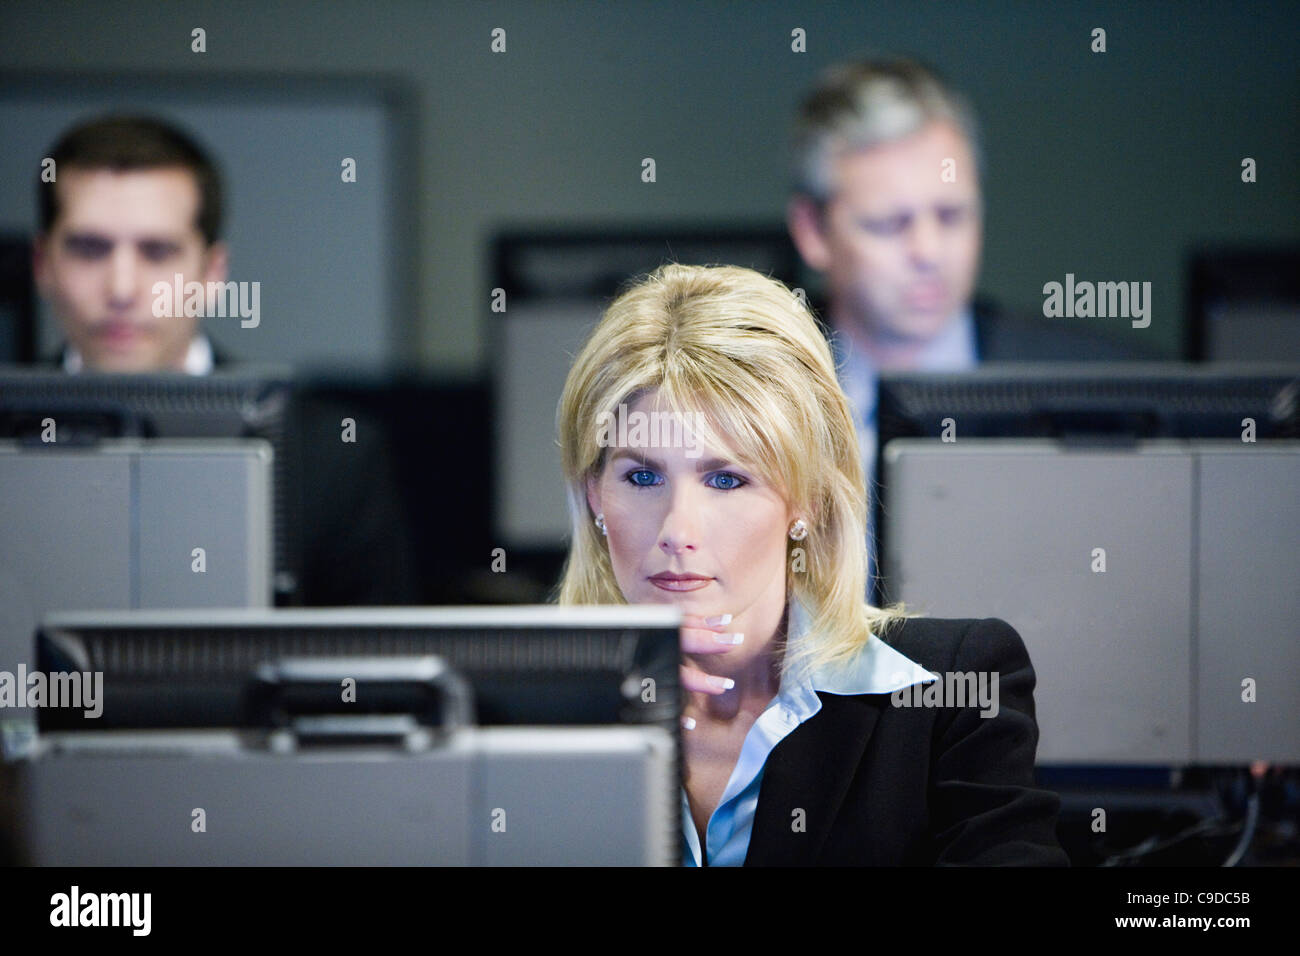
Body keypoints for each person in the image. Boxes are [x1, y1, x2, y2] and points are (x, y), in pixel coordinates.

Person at [555, 263, 1069, 865]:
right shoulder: (528, 718)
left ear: (808, 498)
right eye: (641, 476)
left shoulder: (948, 691)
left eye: (726, 479)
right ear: (593, 493)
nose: (677, 531)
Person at [29, 113, 416, 605]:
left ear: (212, 273)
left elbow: (377, 670)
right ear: (43, 264)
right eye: (89, 249)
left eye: (157, 251)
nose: (121, 288)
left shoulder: (333, 458)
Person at [786, 58, 1156, 496]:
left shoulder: (1104, 390)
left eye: (950, 215)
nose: (928, 252)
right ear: (812, 232)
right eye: (889, 224)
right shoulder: (754, 396)